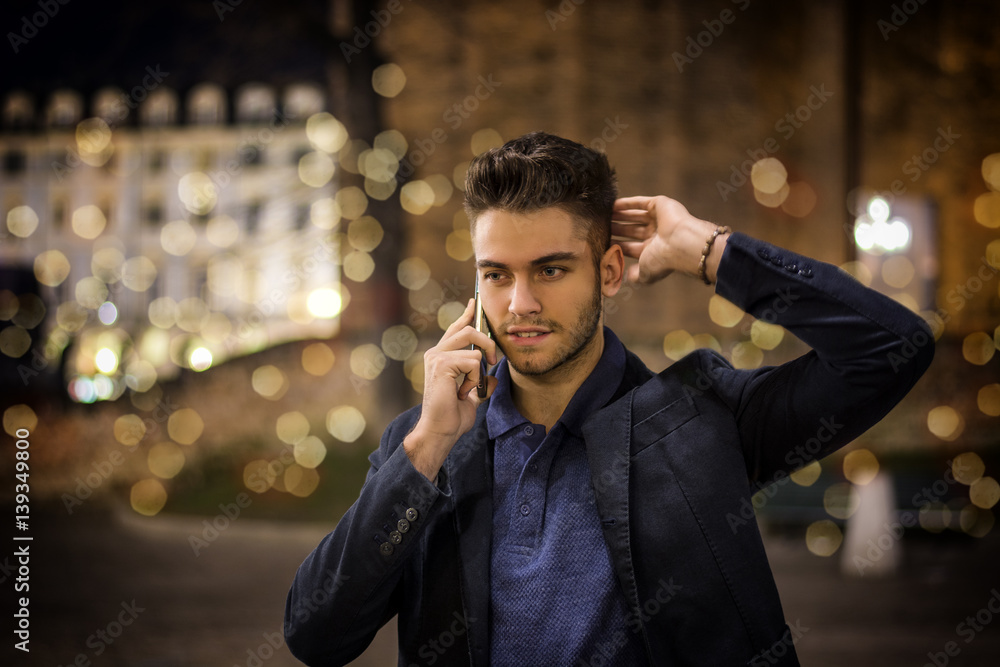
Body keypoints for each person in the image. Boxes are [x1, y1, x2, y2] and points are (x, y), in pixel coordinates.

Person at [284, 131, 933, 666]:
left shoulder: (699, 420)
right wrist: (426, 445)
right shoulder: (428, 445)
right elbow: (315, 634)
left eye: (551, 268)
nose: (521, 303)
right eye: (496, 274)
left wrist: (710, 253)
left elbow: (891, 347)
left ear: (611, 271)